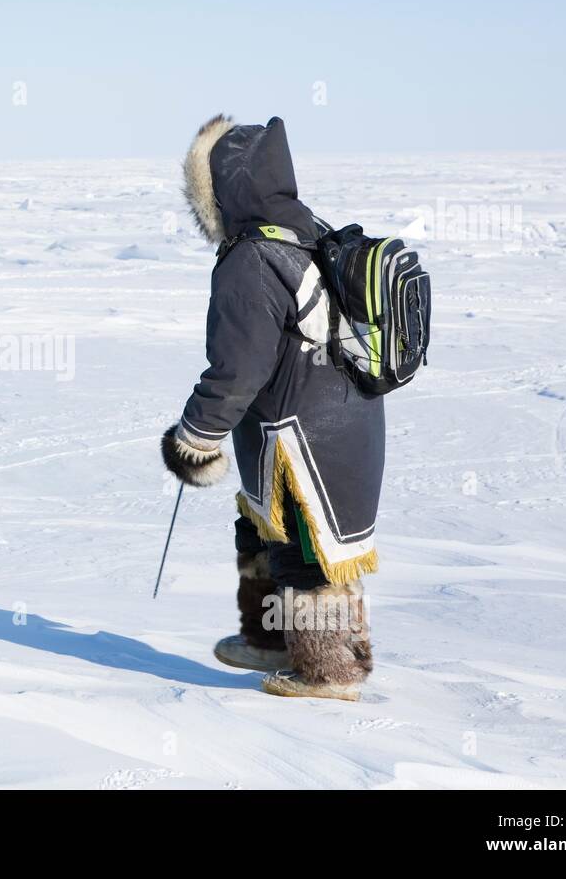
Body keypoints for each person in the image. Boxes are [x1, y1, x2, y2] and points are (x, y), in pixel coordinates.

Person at [160, 115, 383, 702]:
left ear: (219, 189)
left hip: (302, 432)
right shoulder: (306, 228)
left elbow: (238, 367)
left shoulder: (251, 258)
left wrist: (196, 437)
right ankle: (269, 639)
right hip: (337, 418)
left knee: (306, 548)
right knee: (265, 531)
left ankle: (328, 673)